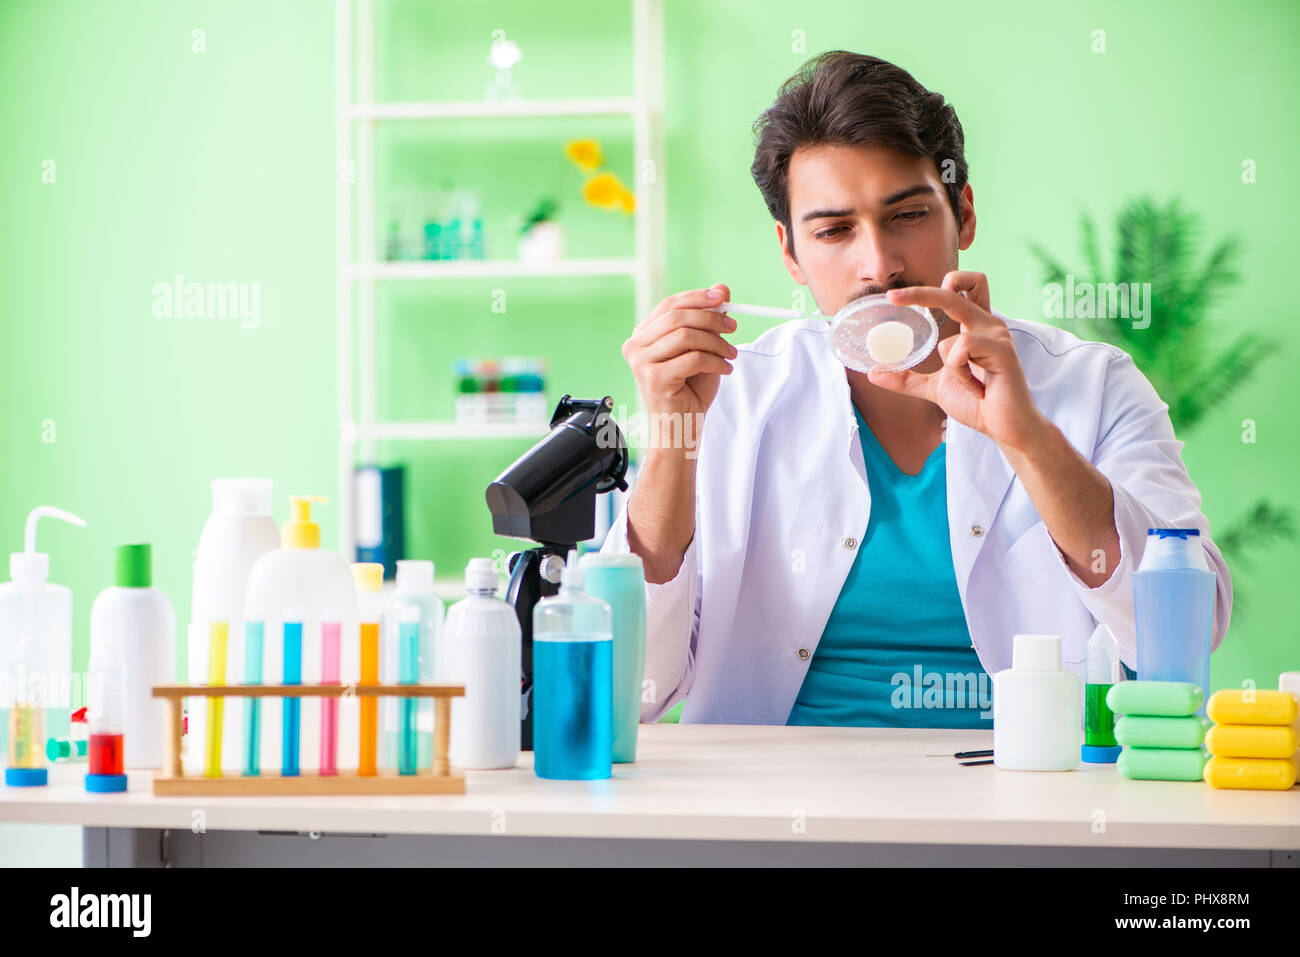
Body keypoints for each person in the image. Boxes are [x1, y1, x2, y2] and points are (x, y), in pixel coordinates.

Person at [600, 51, 1232, 727]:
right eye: (835, 230)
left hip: (1027, 795)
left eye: (906, 215)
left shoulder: (1092, 385)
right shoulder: (730, 393)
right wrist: (672, 445)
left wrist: (1027, 441)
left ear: (962, 212)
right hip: (778, 805)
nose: (879, 265)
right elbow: (632, 687)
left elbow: (1184, 639)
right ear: (790, 253)